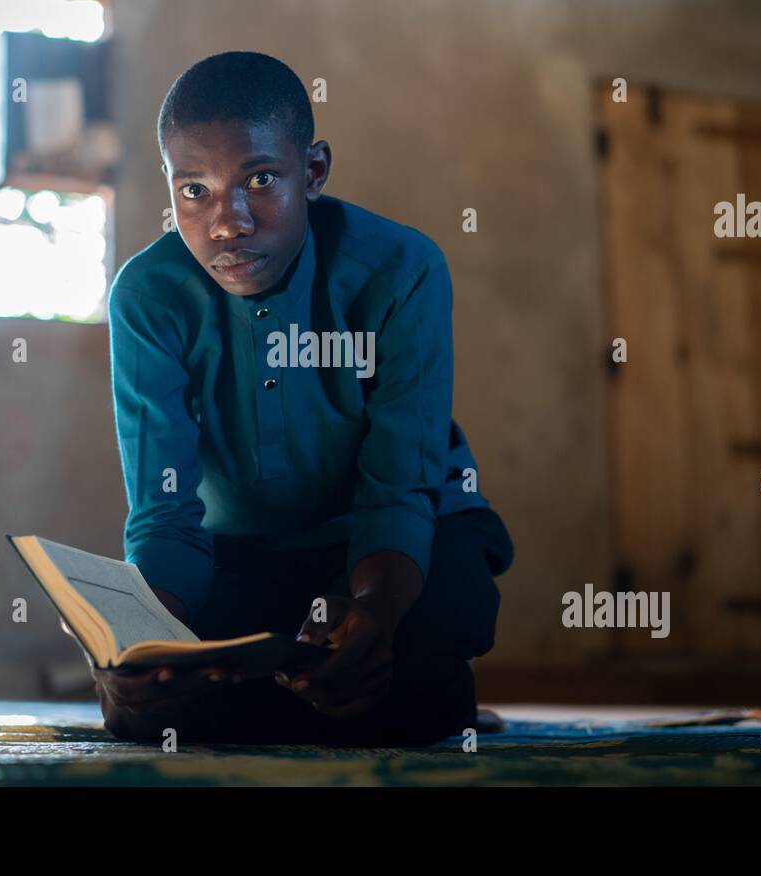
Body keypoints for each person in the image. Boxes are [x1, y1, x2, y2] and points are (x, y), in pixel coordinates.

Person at [97, 50, 513, 746]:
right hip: (247, 554)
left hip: (396, 540)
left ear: (313, 171)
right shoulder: (147, 297)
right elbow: (164, 516)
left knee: (433, 641)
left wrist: (372, 615)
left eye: (259, 179)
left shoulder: (401, 270)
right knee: (154, 709)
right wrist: (143, 647)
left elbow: (400, 492)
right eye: (193, 190)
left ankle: (418, 685)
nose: (226, 222)